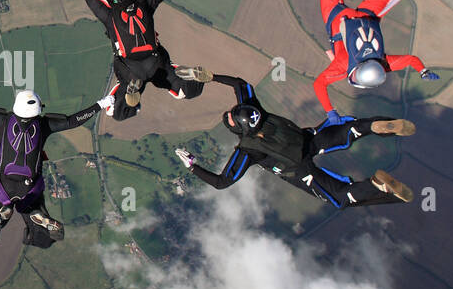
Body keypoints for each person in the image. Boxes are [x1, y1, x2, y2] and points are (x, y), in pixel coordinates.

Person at [174, 73, 417, 208]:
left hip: (298, 170)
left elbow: (221, 182)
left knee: (341, 197)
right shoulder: (254, 109)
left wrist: (193, 166)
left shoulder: (248, 151)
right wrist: (210, 77)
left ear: (239, 131)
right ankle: (376, 126)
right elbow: (242, 83)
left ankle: (376, 185)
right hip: (307, 139)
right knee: (350, 129)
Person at [0, 85, 112, 247]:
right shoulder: (44, 124)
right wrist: (100, 105)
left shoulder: (3, 121)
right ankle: (36, 218)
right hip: (30, 186)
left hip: (3, 185)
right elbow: (72, 121)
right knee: (41, 237)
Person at [313, 0, 440, 123]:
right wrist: (330, 111)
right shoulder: (342, 66)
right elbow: (319, 84)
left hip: (368, 17)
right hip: (339, 18)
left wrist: (423, 71)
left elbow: (410, 59)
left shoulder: (384, 63)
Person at [80, 0, 211, 120]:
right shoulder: (147, 2)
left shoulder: (109, 15)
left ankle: (130, 96)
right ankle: (191, 81)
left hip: (130, 68)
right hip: (157, 61)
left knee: (117, 113)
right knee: (181, 90)